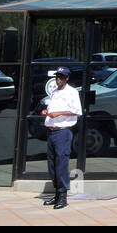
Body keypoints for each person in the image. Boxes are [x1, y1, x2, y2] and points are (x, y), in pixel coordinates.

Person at [41, 66, 82, 209]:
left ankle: (63, 196)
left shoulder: (72, 92)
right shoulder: (55, 92)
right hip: (51, 131)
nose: (58, 79)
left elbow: (77, 111)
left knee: (61, 164)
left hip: (63, 132)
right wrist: (47, 112)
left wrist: (58, 114)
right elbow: (52, 109)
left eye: (61, 77)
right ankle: (57, 194)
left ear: (67, 78)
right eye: (57, 77)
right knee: (52, 165)